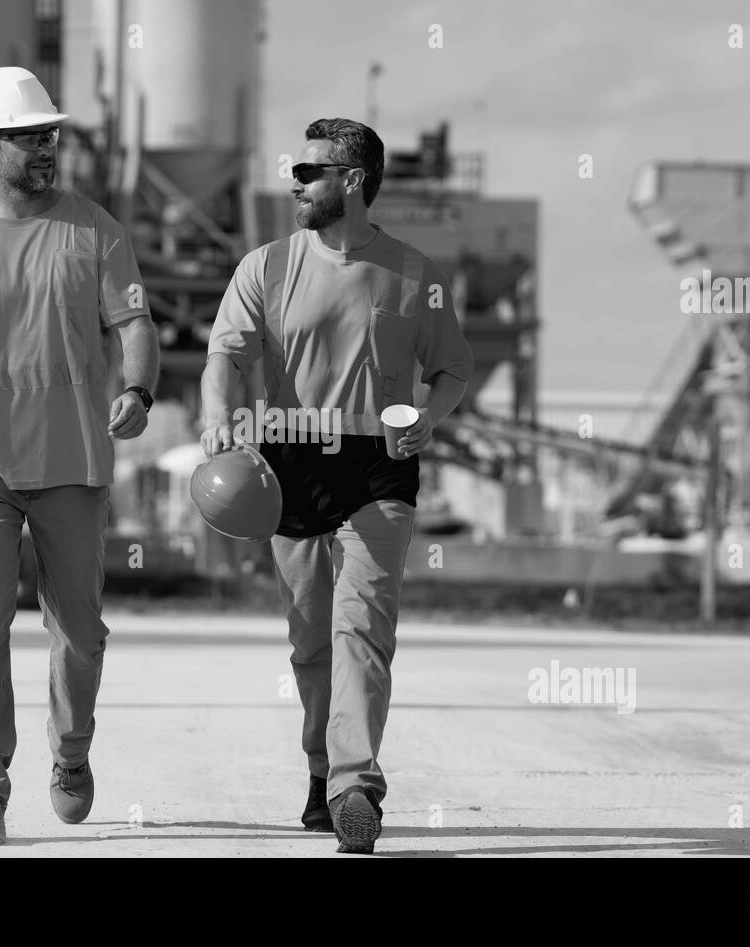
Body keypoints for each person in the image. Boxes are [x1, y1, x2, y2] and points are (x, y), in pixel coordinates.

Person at [200, 118, 472, 854]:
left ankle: (357, 783)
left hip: (380, 467)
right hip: (290, 463)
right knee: (312, 644)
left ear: (352, 181)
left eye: (310, 170)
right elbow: (225, 352)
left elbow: (452, 369)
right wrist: (220, 417)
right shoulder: (268, 265)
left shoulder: (417, 275)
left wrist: (431, 417)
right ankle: (322, 771)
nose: (295, 180)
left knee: (363, 629)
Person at [0, 67, 159, 846]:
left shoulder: (96, 230)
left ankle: (72, 753)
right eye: (28, 138)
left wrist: (140, 391)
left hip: (74, 457)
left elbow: (135, 324)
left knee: (79, 631)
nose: (46, 148)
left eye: (50, 135)